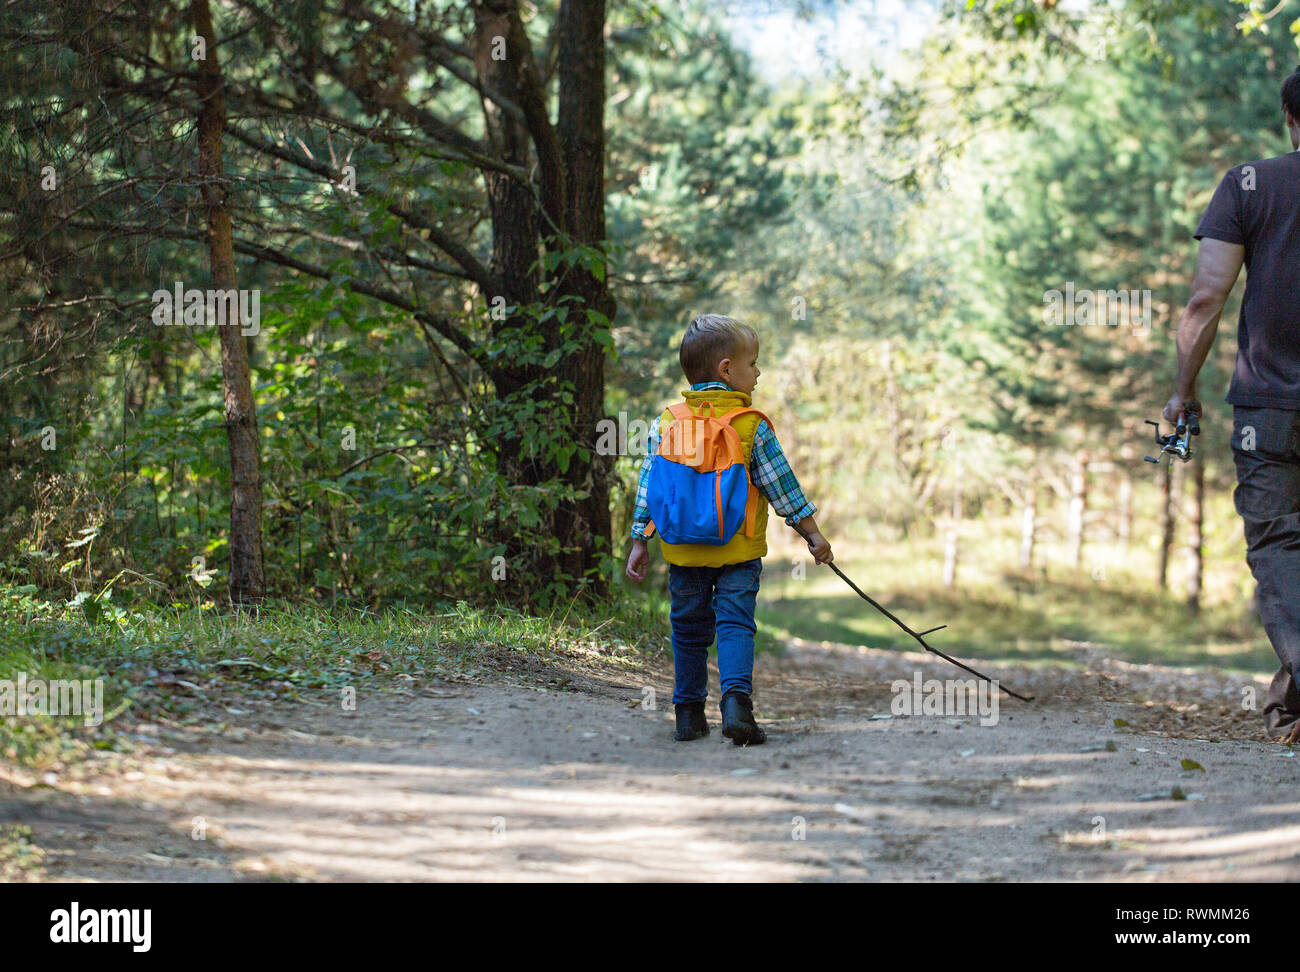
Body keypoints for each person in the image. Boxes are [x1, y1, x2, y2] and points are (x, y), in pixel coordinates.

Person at [1163, 67, 1300, 743]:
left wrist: (1182, 391)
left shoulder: (1248, 185)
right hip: (1268, 405)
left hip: (1269, 405)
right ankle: (1289, 706)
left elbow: (1204, 300)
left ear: (1288, 115)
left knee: (1278, 542)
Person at [625, 314, 832, 745]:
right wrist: (811, 533)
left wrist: (639, 540)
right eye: (752, 363)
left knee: (687, 626)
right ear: (726, 370)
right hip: (738, 550)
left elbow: (650, 486)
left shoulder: (667, 422)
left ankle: (687, 715)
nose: (757, 372)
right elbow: (783, 487)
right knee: (735, 624)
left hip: (682, 551)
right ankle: (737, 707)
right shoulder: (751, 424)